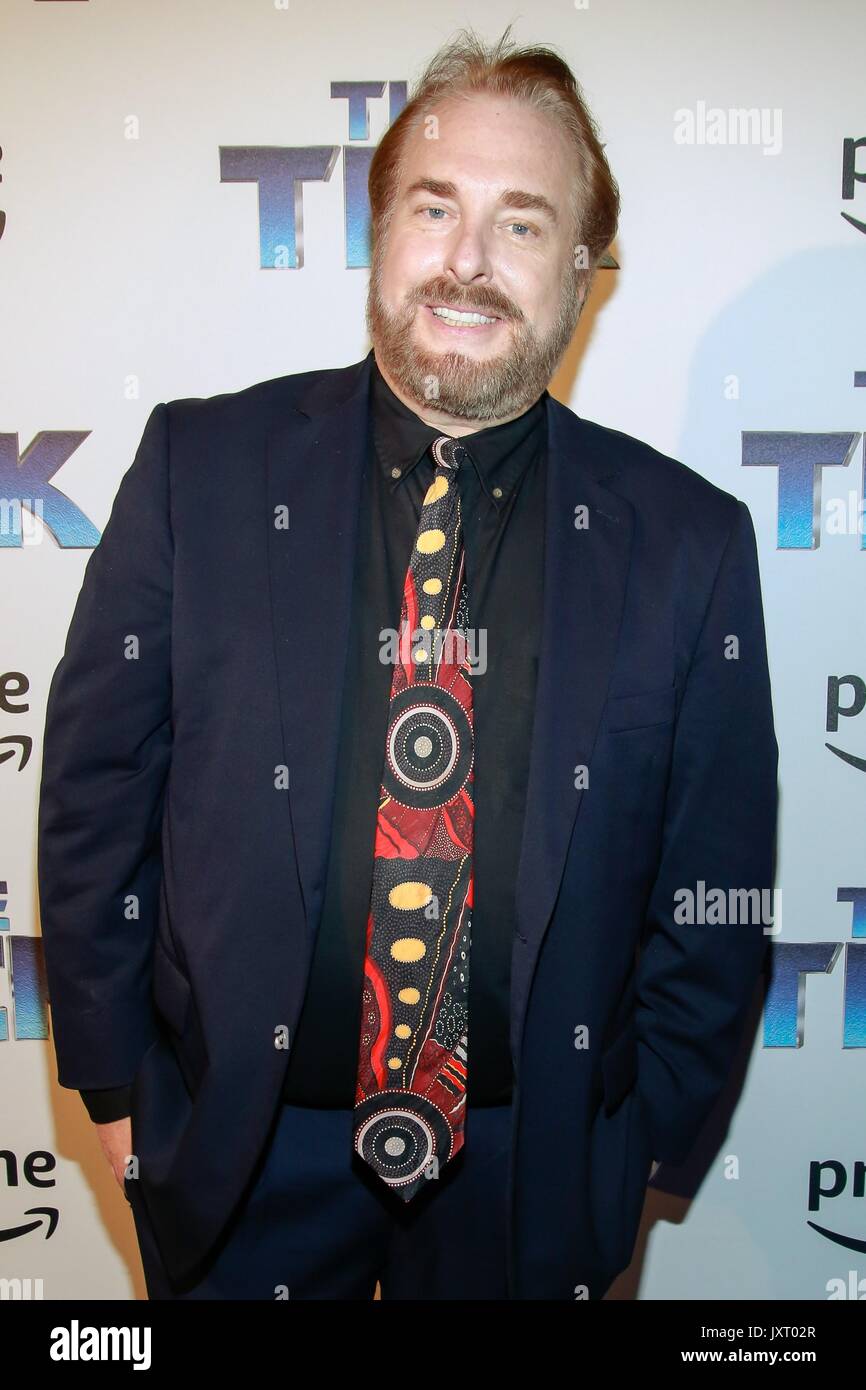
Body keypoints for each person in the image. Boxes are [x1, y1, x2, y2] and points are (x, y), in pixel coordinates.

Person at [37, 25, 778, 1300]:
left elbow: (714, 887)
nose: (470, 262)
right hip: (242, 1151)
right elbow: (97, 793)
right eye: (434, 207)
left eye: (525, 224)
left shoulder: (687, 542)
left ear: (582, 273)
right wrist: (115, 1086)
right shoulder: (199, 471)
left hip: (530, 1170)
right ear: (377, 229)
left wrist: (639, 1151)